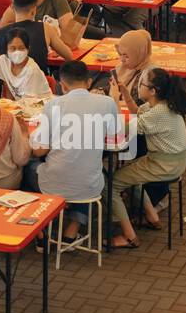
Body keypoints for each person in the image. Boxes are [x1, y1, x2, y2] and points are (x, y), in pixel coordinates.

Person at [28, 60, 121, 245]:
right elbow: (114, 139)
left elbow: (40, 150)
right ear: (88, 82)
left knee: (29, 167)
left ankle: (42, 230)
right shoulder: (107, 103)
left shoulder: (53, 106)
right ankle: (72, 231)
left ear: (62, 85)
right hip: (89, 186)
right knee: (89, 169)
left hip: (54, 183)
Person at [108, 68, 186, 249]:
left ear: (153, 91)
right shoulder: (161, 105)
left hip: (164, 165)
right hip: (171, 161)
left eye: (142, 83)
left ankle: (129, 236)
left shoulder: (158, 113)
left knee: (110, 184)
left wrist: (114, 99)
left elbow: (120, 129)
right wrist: (126, 95)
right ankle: (151, 215)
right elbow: (138, 113)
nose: (138, 85)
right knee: (131, 173)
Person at [0, 0, 79, 62]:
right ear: (34, 11)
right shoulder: (45, 29)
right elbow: (69, 56)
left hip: (7, 76)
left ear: (13, 9)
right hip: (39, 75)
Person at [0, 28, 51, 100]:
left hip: (38, 105)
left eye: (21, 48)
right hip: (20, 106)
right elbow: (8, 88)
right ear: (6, 49)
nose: (17, 52)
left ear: (28, 49)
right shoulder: (3, 61)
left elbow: (28, 103)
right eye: (13, 48)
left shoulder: (32, 70)